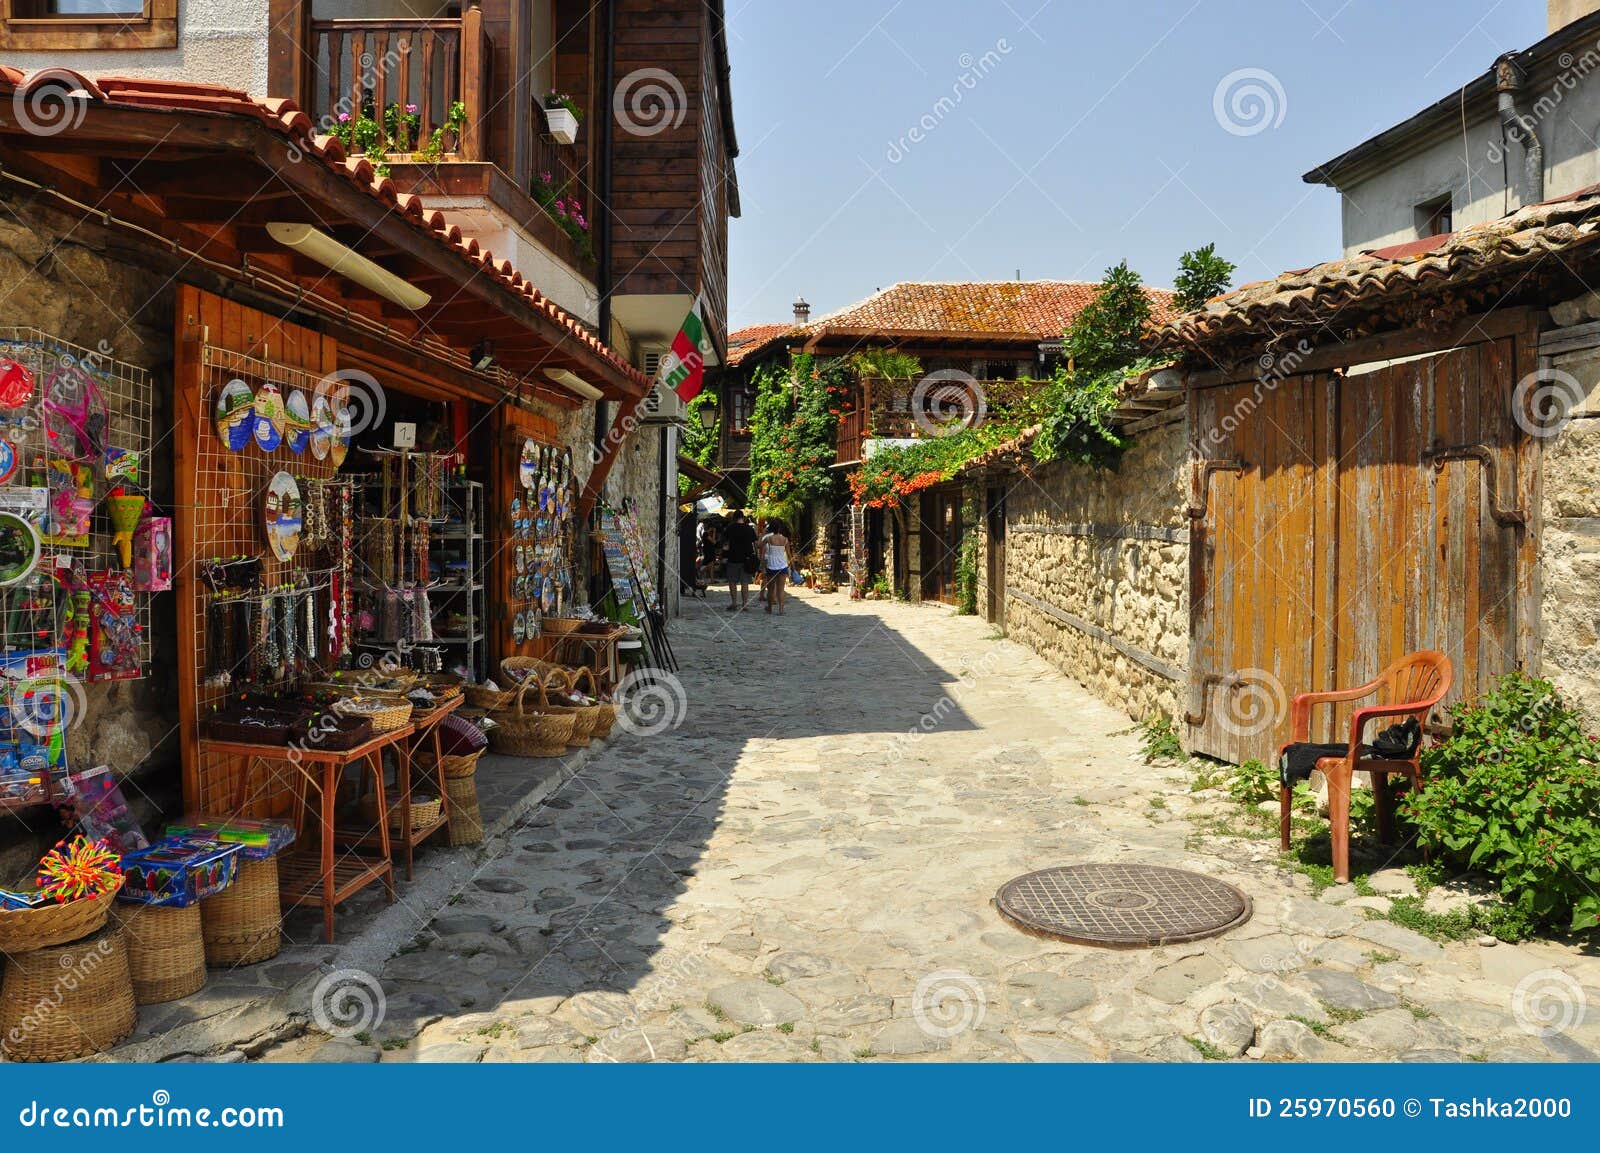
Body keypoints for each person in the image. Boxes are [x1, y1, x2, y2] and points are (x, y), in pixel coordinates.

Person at [724, 511, 758, 611]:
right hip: (747, 559)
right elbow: (755, 544)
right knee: (745, 583)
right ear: (743, 517)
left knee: (732, 582)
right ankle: (744, 604)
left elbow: (725, 543)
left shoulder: (730, 528)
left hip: (733, 558)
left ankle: (734, 603)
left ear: (734, 518)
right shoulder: (749, 528)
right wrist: (756, 556)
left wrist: (724, 554)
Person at [760, 518, 792, 616]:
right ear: (779, 528)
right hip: (782, 565)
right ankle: (781, 609)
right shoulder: (785, 539)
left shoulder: (768, 538)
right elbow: (789, 554)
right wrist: (792, 566)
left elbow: (759, 545)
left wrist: (763, 533)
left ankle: (769, 608)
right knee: (781, 589)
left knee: (771, 589)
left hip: (771, 565)